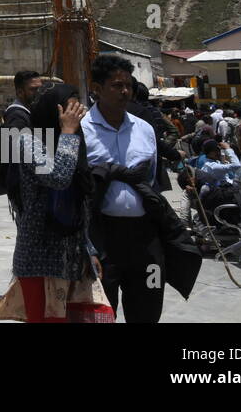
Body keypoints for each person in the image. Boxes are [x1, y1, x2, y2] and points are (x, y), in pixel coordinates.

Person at [0, 86, 112, 323]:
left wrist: (89, 249)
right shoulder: (28, 141)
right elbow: (58, 177)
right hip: (39, 259)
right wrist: (69, 132)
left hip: (72, 257)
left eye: (78, 109)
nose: (76, 115)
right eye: (69, 109)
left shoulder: (71, 143)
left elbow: (79, 204)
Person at [80, 52, 164, 323]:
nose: (125, 91)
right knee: (102, 314)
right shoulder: (81, 131)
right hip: (102, 236)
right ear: (97, 89)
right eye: (117, 85)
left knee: (147, 309)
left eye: (128, 85)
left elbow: (151, 180)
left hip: (144, 237)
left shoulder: (144, 129)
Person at [193, 139, 241, 220]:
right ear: (210, 153)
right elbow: (236, 165)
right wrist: (228, 149)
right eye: (216, 151)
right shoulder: (213, 166)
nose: (219, 152)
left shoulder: (211, 163)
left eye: (219, 150)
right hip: (224, 196)